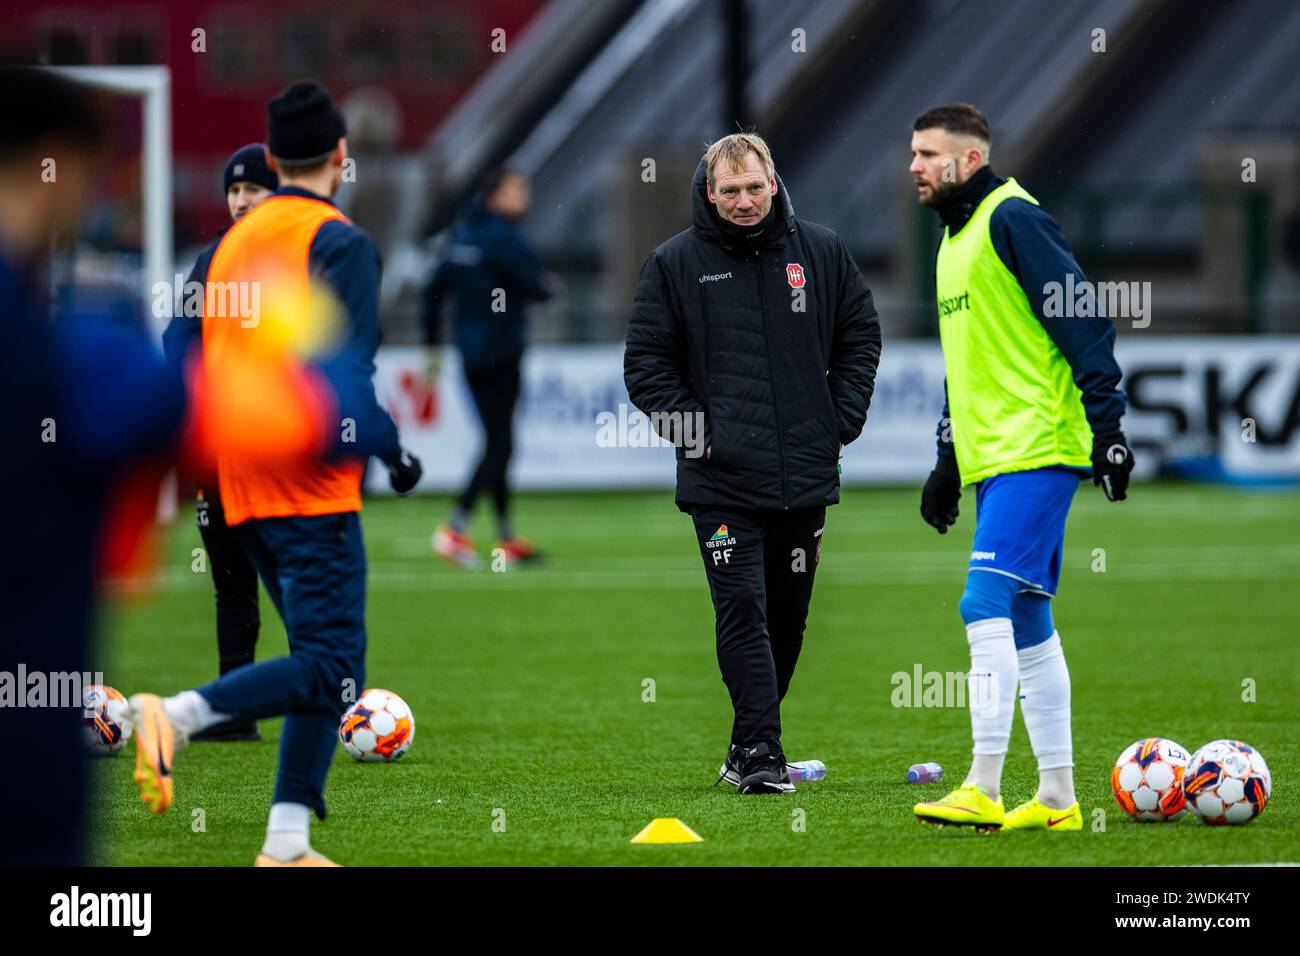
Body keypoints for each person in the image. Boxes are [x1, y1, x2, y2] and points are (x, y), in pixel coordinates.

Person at [128, 82, 423, 866]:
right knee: (331, 667)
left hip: (235, 477)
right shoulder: (339, 242)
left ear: (273, 157)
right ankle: (179, 715)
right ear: (340, 155)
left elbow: (188, 352)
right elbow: (347, 374)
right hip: (305, 479)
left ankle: (287, 840)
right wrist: (391, 447)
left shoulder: (231, 244)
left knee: (321, 661)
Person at [623, 132, 881, 794]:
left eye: (754, 187)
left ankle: (744, 743)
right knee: (742, 609)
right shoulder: (673, 264)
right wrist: (700, 438)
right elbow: (646, 367)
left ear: (774, 184)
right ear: (709, 194)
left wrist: (839, 420)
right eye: (730, 191)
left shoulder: (820, 251)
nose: (744, 201)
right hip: (721, 485)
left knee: (787, 622)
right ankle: (764, 754)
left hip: (803, 475)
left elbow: (860, 334)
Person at [906, 104, 1133, 831]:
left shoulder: (1013, 218)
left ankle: (981, 783)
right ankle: (1060, 799)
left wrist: (1110, 427)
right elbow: (966, 366)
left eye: (927, 153)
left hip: (1037, 446)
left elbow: (1084, 318)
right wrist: (947, 460)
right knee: (1029, 618)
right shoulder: (952, 240)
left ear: (969, 161)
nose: (913, 165)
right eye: (912, 152)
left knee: (981, 604)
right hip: (996, 457)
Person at [163, 144, 279, 742]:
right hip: (220, 452)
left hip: (276, 454)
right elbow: (177, 338)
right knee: (232, 582)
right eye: (233, 190)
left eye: (251, 189)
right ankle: (236, 712)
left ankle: (335, 699)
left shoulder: (291, 259)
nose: (239, 200)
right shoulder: (211, 262)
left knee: (293, 585)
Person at [423, 168, 551, 569]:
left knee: (496, 441)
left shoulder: (458, 235)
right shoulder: (504, 238)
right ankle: (455, 528)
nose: (525, 199)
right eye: (518, 191)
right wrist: (544, 284)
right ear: (495, 196)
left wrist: (432, 346)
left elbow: (432, 294)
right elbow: (538, 285)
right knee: (500, 444)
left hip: (469, 353)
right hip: (502, 352)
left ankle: (505, 538)